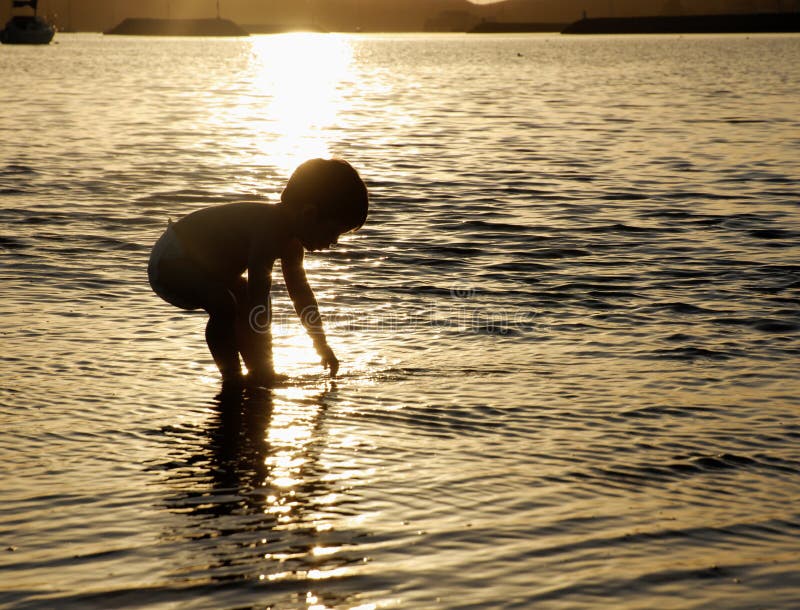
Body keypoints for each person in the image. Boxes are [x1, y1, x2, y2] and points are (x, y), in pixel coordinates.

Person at [147, 158, 368, 387]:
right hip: (172, 261)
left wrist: (321, 344)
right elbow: (258, 298)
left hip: (208, 269)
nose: (334, 242)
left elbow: (301, 296)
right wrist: (266, 359)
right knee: (226, 304)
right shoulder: (269, 229)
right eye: (334, 232)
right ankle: (232, 377)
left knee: (243, 301)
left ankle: (258, 374)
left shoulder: (291, 243)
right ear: (309, 214)